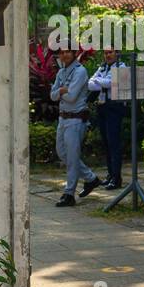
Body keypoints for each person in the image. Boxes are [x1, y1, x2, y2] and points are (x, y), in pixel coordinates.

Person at [50, 47, 102, 207]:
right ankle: (91, 178)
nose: (64, 55)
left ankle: (69, 193)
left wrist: (60, 92)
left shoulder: (80, 72)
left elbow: (72, 97)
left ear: (74, 54)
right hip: (63, 118)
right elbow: (52, 96)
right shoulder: (61, 73)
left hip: (76, 119)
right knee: (62, 153)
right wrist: (61, 90)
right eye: (62, 52)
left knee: (72, 157)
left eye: (68, 52)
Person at [88, 49, 127, 189]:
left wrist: (99, 81)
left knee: (114, 143)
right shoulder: (102, 67)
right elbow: (90, 84)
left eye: (110, 52)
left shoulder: (122, 67)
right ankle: (110, 175)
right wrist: (101, 81)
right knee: (106, 143)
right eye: (105, 53)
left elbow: (112, 83)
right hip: (102, 107)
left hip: (114, 108)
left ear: (117, 53)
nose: (107, 55)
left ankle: (117, 178)